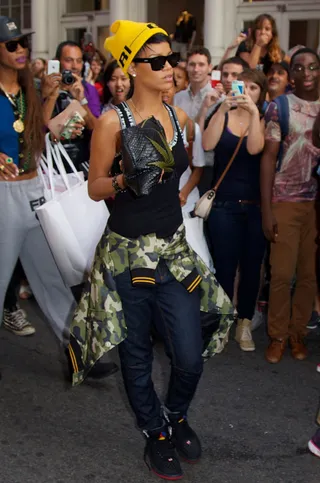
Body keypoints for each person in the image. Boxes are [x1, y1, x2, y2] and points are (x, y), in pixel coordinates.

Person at [67, 20, 234, 480]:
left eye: (171, 59)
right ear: (132, 68)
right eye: (156, 61)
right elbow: (94, 188)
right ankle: (155, 431)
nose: (169, 67)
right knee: (137, 351)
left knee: (189, 354)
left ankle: (174, 414)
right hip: (127, 257)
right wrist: (125, 179)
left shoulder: (181, 119)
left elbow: (187, 174)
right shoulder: (110, 121)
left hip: (174, 251)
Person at [261, 48, 320, 364]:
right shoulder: (279, 107)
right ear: (292, 73)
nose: (307, 72)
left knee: (308, 275)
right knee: (282, 274)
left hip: (314, 203)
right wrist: (267, 210)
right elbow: (268, 158)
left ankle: (298, 333)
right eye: (299, 67)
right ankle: (278, 336)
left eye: (313, 66)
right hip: (284, 200)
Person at [203, 69, 267, 351]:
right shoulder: (223, 112)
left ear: (260, 94)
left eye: (254, 88)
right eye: (244, 86)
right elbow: (207, 144)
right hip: (223, 205)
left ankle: (244, 323)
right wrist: (221, 109)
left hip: (254, 207)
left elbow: (254, 149)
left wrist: (253, 114)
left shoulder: (262, 119)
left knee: (252, 268)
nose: (247, 92)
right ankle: (222, 324)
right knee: (225, 269)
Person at [162, 83, 213, 270]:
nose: (164, 90)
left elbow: (198, 168)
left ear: (175, 89)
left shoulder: (190, 127)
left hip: (185, 204)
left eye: (168, 85)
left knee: (194, 262)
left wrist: (183, 193)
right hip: (156, 207)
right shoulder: (142, 126)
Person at [41, 40, 101, 172]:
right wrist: (52, 95)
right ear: (57, 61)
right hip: (51, 164)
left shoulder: (88, 89)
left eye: (79, 61)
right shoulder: (44, 87)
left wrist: (82, 100)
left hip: (80, 164)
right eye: (69, 60)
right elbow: (39, 128)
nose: (75, 66)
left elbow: (95, 128)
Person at [174, 47, 214, 121]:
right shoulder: (177, 98)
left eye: (201, 65)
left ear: (209, 67)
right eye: (192, 64)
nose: (196, 69)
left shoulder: (218, 99)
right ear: (186, 66)